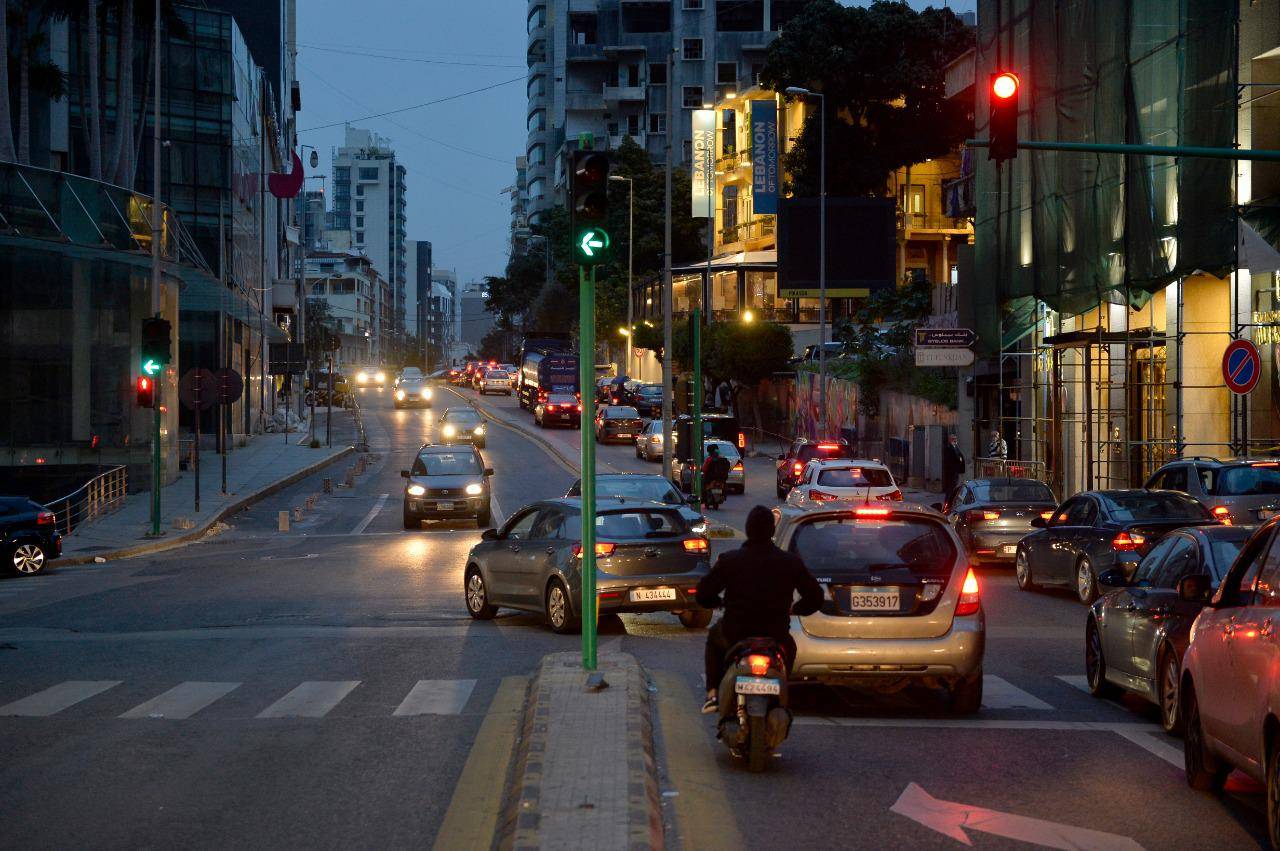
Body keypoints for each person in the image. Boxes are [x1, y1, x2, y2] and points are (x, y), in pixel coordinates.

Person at [695, 506, 824, 714]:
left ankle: (713, 693)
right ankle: (782, 694)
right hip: (776, 634)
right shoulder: (789, 562)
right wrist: (795, 608)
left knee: (714, 640)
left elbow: (703, 594)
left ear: (748, 530)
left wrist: (717, 602)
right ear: (772, 531)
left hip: (735, 633)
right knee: (789, 648)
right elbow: (815, 597)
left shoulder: (731, 560)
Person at [702, 444, 732, 509]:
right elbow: (728, 468)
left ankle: (703, 499)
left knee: (702, 484)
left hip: (710, 479)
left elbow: (704, 469)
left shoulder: (709, 459)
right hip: (721, 479)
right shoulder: (723, 459)